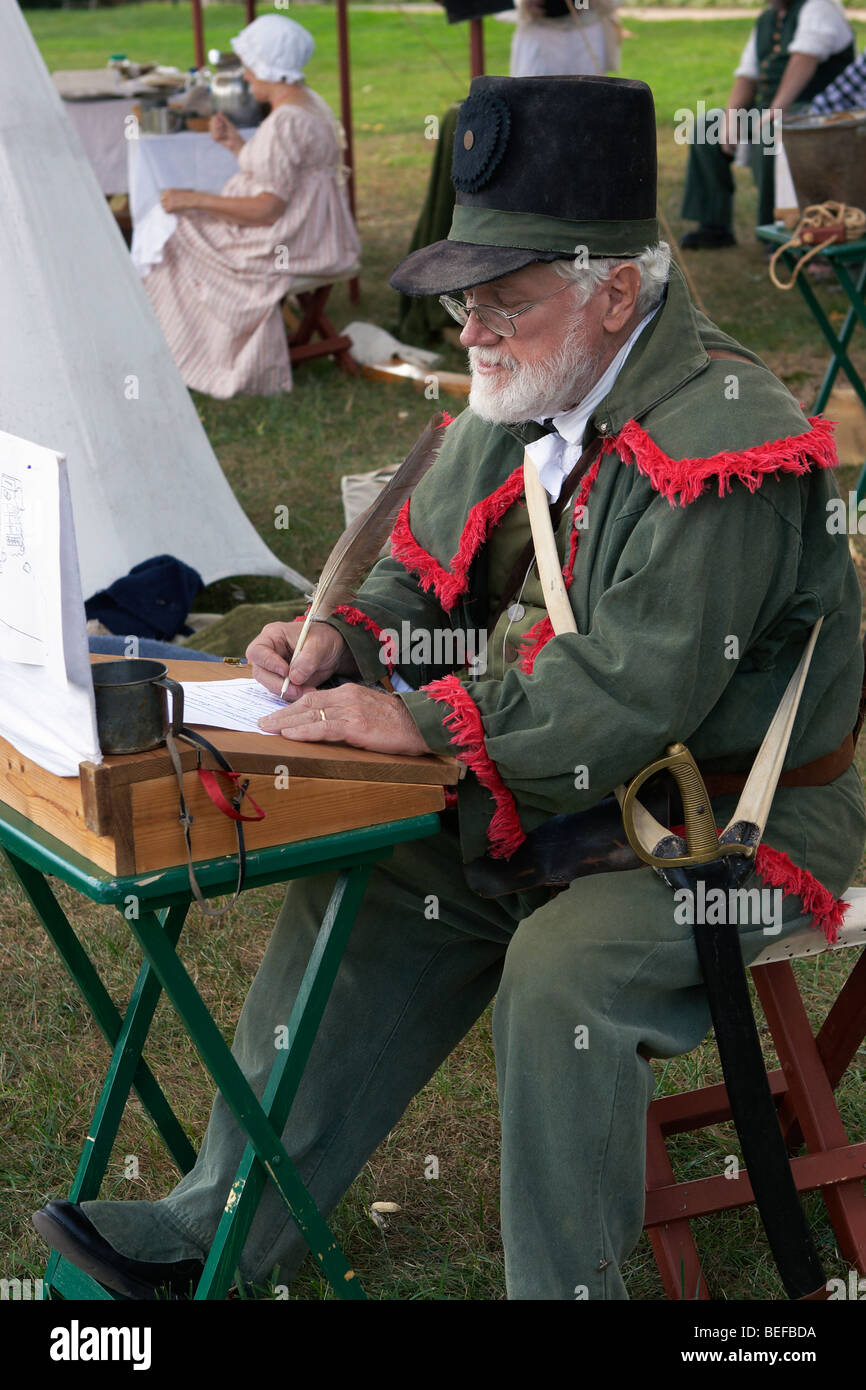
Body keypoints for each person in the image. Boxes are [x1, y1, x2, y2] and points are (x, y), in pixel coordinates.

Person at [33, 75, 865, 1301]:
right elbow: (422, 574)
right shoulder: (531, 378)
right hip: (590, 794)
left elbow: (629, 693)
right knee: (370, 885)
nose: (469, 330)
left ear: (615, 290)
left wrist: (413, 718)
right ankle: (216, 1227)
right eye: (465, 300)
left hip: (733, 820)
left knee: (561, 974)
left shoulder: (721, 436)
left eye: (502, 302)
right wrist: (345, 648)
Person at [143, 14, 360, 398]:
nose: (245, 76)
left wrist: (192, 198)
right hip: (313, 231)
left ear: (270, 70)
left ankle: (190, 353)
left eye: (249, 67)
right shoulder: (309, 104)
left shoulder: (286, 121)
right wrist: (235, 146)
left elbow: (267, 209)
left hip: (291, 240)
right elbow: (283, 174)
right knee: (180, 224)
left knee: (176, 235)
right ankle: (190, 342)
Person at [679, 0, 854, 249]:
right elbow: (747, 74)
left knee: (770, 134)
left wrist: (774, 111)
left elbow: (804, 60)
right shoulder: (766, 20)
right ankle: (714, 226)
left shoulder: (819, 6)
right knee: (706, 127)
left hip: (817, 113)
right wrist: (731, 115)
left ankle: (778, 233)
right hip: (771, 110)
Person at [510, 0, 622, 78]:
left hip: (585, 35)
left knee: (587, 95)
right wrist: (523, 3)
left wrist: (582, 3)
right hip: (539, 35)